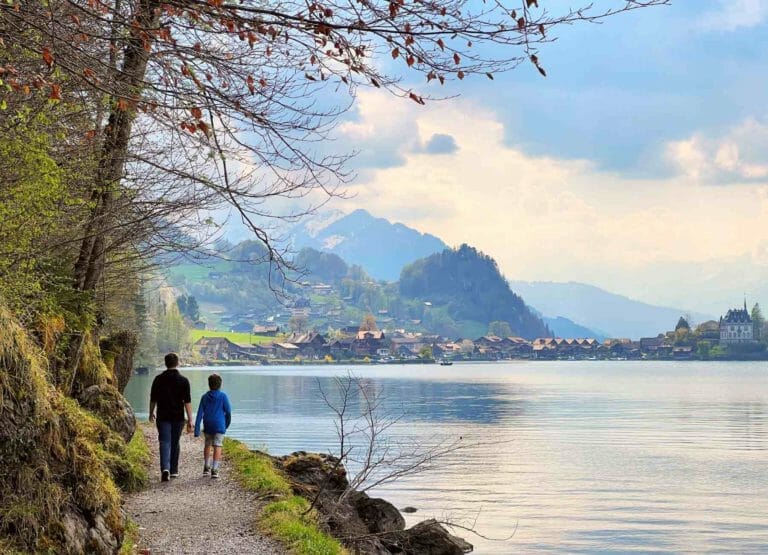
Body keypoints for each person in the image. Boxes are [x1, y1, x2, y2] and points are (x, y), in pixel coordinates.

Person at [148, 353, 193, 482]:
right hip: (178, 417)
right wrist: (190, 419)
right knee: (175, 442)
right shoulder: (184, 381)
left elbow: (153, 399)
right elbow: (187, 401)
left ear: (165, 363)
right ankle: (173, 470)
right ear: (177, 363)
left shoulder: (158, 379)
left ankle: (165, 469)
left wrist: (151, 413)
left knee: (164, 441)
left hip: (163, 416)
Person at [193, 373, 232, 478]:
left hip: (208, 425)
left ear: (209, 384)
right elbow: (228, 412)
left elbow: (199, 414)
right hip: (219, 425)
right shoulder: (223, 396)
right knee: (218, 445)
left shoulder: (204, 397)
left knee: (208, 444)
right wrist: (226, 425)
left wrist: (196, 430)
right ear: (220, 385)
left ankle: (206, 467)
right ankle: (214, 469)